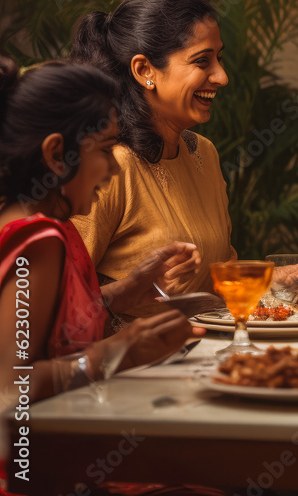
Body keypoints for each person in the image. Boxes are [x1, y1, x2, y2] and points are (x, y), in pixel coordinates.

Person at [70, 0, 298, 318]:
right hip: (135, 364)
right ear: (145, 71)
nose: (222, 77)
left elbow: (216, 283)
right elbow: (57, 301)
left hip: (204, 356)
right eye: (202, 61)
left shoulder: (203, 154)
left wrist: (285, 281)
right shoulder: (110, 165)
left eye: (219, 58)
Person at [0, 57, 201, 491]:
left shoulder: (57, 228)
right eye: (106, 149)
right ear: (57, 154)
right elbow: (7, 389)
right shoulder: (35, 242)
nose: (113, 168)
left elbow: (52, 336)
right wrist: (116, 352)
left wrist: (125, 291)